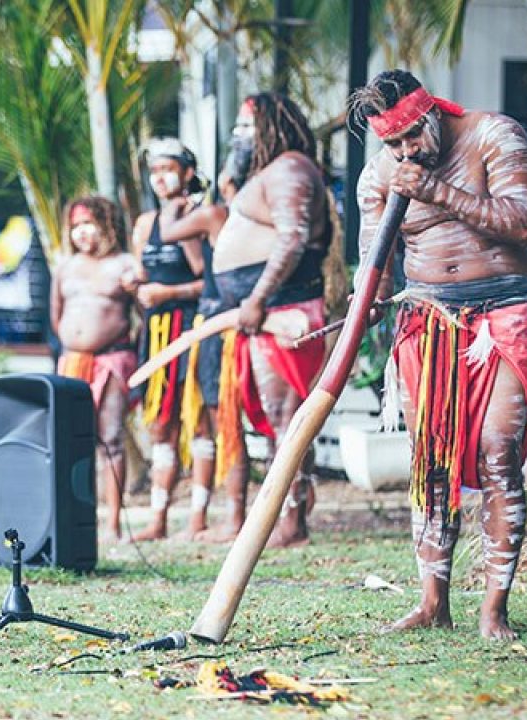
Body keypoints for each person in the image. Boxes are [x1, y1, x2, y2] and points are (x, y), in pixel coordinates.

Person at [351, 69, 527, 639]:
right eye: (395, 143)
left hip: (503, 312)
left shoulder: (493, 136)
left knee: (497, 452)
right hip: (427, 321)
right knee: (430, 462)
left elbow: (526, 221)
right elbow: (374, 262)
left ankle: (494, 608)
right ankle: (433, 602)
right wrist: (371, 294)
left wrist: (438, 192)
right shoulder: (379, 174)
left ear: (434, 109)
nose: (408, 150)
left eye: (415, 134)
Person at [211, 92, 332, 548]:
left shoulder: (291, 169)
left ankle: (293, 520)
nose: (240, 137)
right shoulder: (274, 171)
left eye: (249, 127)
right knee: (276, 421)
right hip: (264, 313)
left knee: (288, 419)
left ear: (274, 129)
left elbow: (293, 238)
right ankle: (282, 515)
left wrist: (258, 298)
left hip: (283, 310)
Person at [155, 164, 249, 542]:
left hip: (221, 322)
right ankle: (232, 516)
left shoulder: (214, 214)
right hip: (227, 320)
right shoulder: (247, 220)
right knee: (223, 419)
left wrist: (174, 206)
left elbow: (168, 233)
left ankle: (234, 517)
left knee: (223, 419)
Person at [51, 196, 142, 543]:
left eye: (89, 224)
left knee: (111, 439)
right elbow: (56, 314)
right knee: (73, 441)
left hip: (112, 360)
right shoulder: (65, 266)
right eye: (76, 227)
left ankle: (114, 523)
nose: (82, 233)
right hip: (72, 361)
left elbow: (144, 315)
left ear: (107, 225)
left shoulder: (125, 265)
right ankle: (78, 518)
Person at [129, 138, 207, 541]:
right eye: (154, 171)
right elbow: (144, 274)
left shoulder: (197, 217)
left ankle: (198, 517)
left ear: (187, 173)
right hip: (155, 332)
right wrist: (135, 284)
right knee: (161, 424)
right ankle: (158, 519)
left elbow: (209, 282)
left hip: (190, 329)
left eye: (167, 169)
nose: (160, 178)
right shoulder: (145, 224)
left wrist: (168, 294)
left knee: (197, 420)